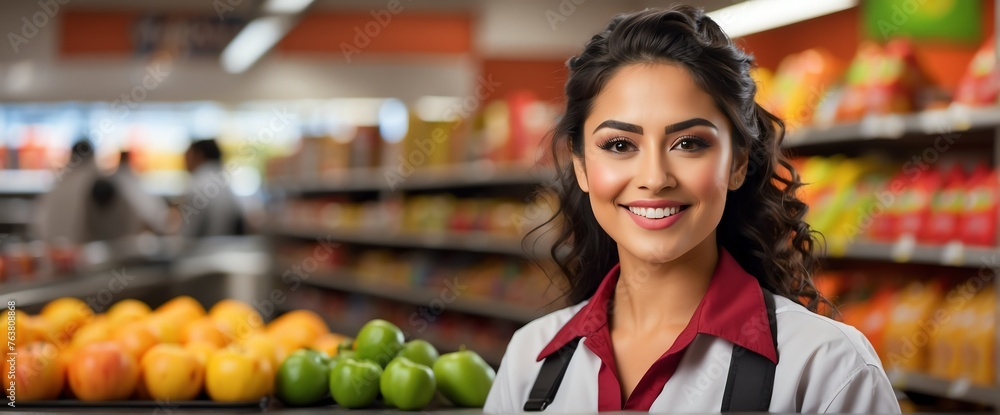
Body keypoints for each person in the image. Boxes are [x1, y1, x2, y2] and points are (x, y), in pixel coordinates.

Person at [484, 6, 900, 413]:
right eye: (620, 145)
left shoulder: (828, 367)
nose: (655, 178)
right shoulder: (529, 359)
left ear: (737, 163)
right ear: (581, 167)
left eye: (688, 143)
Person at [179, 139, 246, 238]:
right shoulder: (225, 183)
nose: (184, 161)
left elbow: (187, 234)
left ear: (199, 155)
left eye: (187, 155)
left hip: (202, 246)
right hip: (225, 244)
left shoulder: (198, 184)